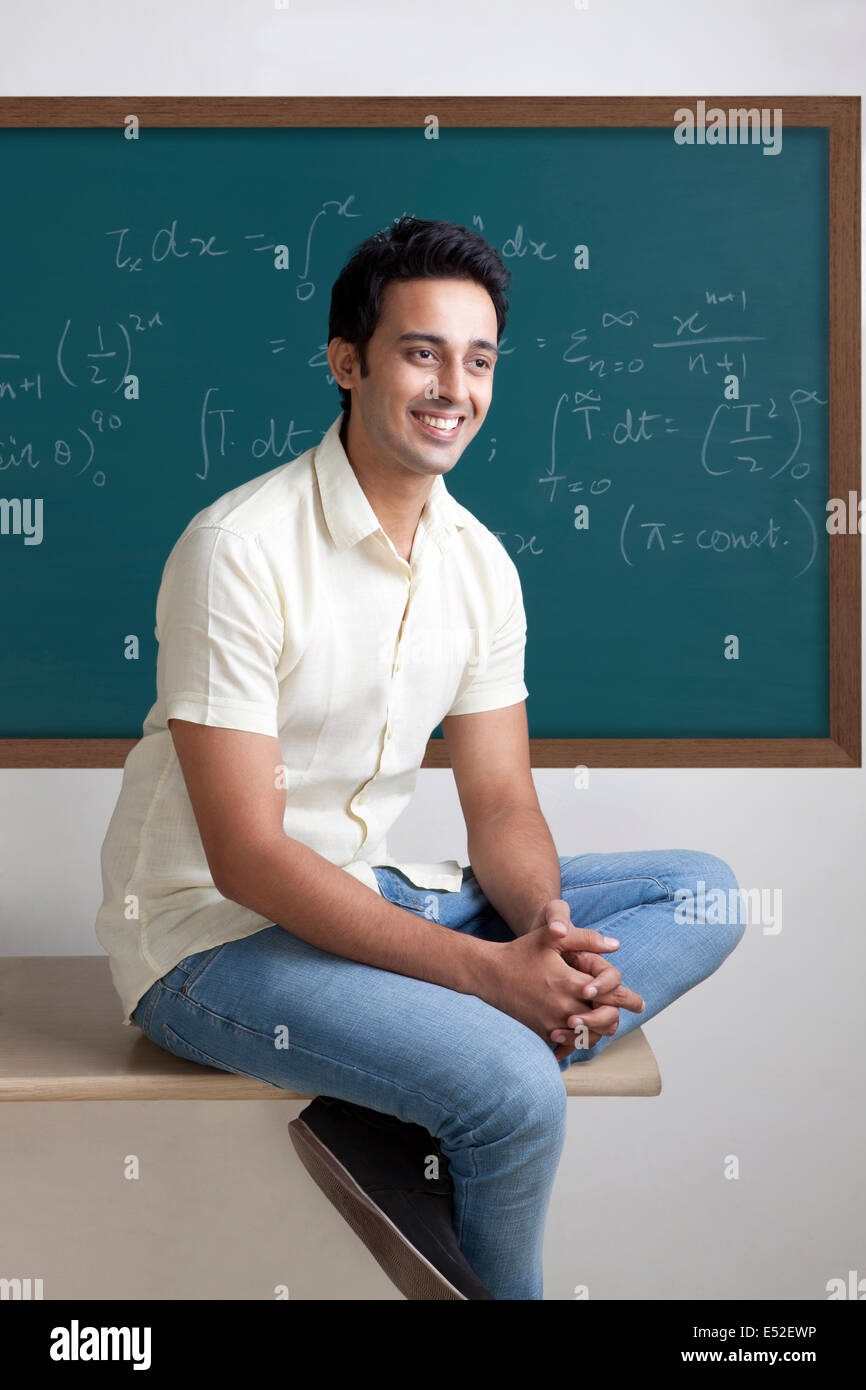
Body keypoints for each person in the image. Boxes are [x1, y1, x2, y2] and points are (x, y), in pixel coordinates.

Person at [95, 216, 745, 1301]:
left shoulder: (478, 564)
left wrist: (541, 933)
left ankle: (393, 1111)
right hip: (208, 943)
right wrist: (491, 981)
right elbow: (247, 857)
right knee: (510, 1088)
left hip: (366, 895)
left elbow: (496, 802)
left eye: (478, 358)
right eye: (420, 351)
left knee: (704, 894)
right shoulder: (239, 548)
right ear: (347, 363)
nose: (454, 386)